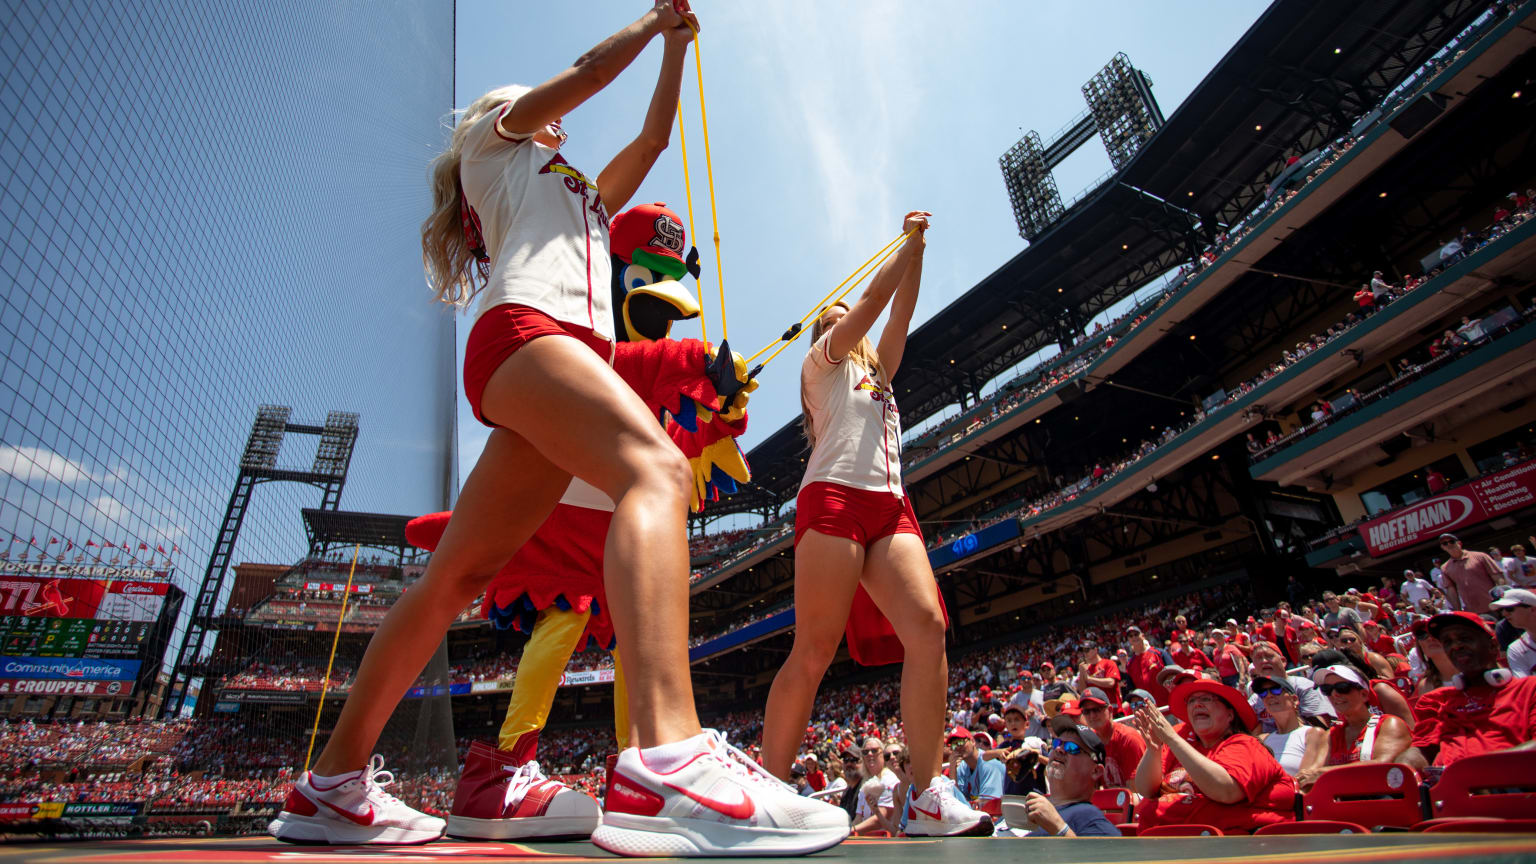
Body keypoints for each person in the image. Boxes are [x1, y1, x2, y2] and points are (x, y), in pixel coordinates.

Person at [269, 4, 848, 854]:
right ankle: (670, 760)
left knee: (457, 575)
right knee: (655, 472)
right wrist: (652, 23)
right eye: (533, 105)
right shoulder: (494, 149)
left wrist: (676, 55)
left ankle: (334, 783)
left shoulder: (575, 198)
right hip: (528, 338)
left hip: (549, 356)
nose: (558, 116)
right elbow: (581, 71)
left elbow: (653, 140)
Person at [761, 212, 988, 838]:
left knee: (929, 627)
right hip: (833, 498)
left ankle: (926, 795)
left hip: (891, 504)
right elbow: (871, 303)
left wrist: (917, 248)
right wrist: (901, 250)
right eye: (829, 316)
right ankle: (770, 792)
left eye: (840, 315)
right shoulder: (820, 364)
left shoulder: (879, 374)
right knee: (813, 651)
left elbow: (899, 314)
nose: (838, 318)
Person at [1130, 680, 1296, 833]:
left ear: (1230, 715)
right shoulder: (1183, 747)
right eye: (1192, 701)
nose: (1197, 704)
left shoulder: (1245, 744)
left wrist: (1172, 739)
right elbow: (1147, 790)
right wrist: (1154, 749)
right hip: (1178, 843)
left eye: (1206, 699)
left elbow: (1226, 791)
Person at [1403, 612, 1536, 768]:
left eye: (1465, 638)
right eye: (1447, 642)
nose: (1455, 646)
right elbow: (1422, 750)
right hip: (1445, 787)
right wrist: (1402, 768)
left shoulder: (1528, 689)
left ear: (1493, 646)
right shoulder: (1437, 701)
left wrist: (1475, 770)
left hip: (1507, 785)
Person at [1296, 665, 1410, 790]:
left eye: (1342, 688)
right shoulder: (1331, 735)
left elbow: (1384, 766)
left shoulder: (1388, 724)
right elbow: (1310, 775)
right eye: (1327, 690)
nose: (1334, 694)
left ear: (1364, 694)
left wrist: (1322, 773)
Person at [1009, 716, 1121, 837]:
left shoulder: (1088, 818)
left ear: (1095, 771)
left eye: (1072, 748)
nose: (1058, 749)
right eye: (1057, 742)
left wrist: (1059, 828)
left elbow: (1115, 852)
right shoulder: (1038, 807)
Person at [1063, 687, 1145, 788]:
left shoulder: (1128, 738)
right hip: (1109, 800)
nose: (1092, 716)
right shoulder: (1090, 741)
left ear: (1110, 710)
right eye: (1086, 712)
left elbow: (1137, 791)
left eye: (1096, 710)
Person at [1246, 640, 1334, 730]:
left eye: (1269, 656)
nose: (1264, 661)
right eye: (1258, 658)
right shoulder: (1255, 700)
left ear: (1283, 661)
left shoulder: (1303, 686)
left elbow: (1322, 726)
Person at [1251, 676, 1326, 780]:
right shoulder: (1262, 740)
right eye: (1262, 693)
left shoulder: (1312, 734)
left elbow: (1305, 780)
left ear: (1294, 700)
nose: (1268, 695)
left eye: (1275, 689)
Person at [1438, 533, 1506, 612]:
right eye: (1445, 543)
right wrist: (1458, 611)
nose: (1449, 544)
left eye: (1451, 541)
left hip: (1495, 607)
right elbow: (1451, 591)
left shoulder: (1480, 556)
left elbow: (1498, 578)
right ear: (1443, 547)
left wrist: (1503, 600)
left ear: (1459, 543)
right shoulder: (1445, 568)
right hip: (1473, 612)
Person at [946, 727, 1004, 816]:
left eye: (961, 742)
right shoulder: (963, 767)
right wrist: (952, 771)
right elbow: (956, 800)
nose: (957, 747)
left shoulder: (989, 763)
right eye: (954, 745)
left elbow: (987, 806)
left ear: (973, 741)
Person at [852, 738, 901, 836]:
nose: (869, 754)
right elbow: (858, 818)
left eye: (874, 750)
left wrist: (851, 830)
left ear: (882, 754)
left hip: (885, 841)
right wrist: (848, 829)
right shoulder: (865, 784)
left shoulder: (890, 779)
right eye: (865, 752)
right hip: (867, 841)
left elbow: (881, 818)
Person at [1492, 588, 1536, 677]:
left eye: (1509, 608)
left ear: (1532, 609)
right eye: (1501, 610)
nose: (1504, 614)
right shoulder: (1515, 649)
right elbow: (1525, 687)